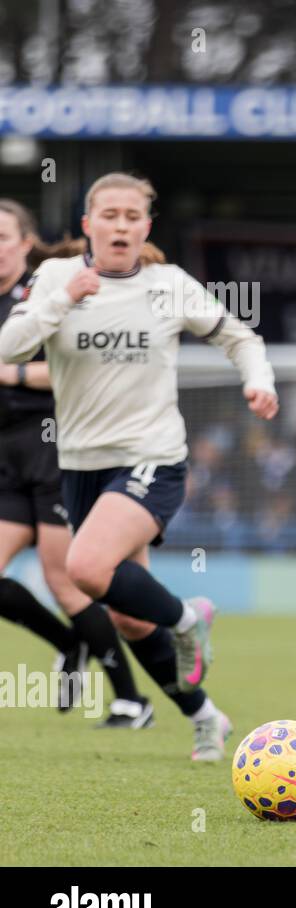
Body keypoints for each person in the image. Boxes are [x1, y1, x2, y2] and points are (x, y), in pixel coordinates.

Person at [0, 172, 279, 760]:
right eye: (110, 215)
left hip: (152, 456)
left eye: (133, 216)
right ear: (87, 224)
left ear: (146, 226)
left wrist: (258, 380)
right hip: (79, 466)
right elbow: (9, 346)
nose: (121, 225)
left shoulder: (168, 285)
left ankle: (186, 617)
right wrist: (62, 299)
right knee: (128, 619)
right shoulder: (54, 278)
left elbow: (239, 337)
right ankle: (205, 716)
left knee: (84, 567)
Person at [0, 198, 152, 723]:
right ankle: (69, 642)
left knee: (66, 578)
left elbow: (80, 364)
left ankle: (133, 700)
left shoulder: (44, 293)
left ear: (25, 242)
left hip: (53, 446)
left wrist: (12, 373)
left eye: (3, 237)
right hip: (4, 457)